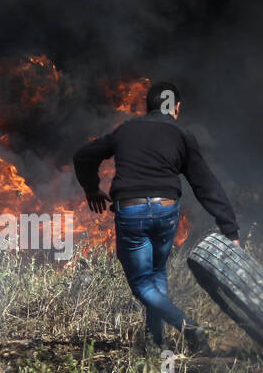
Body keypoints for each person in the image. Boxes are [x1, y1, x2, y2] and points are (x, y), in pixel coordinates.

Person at [73, 81, 240, 353]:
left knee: (141, 284)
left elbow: (82, 156)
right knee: (156, 273)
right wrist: (229, 229)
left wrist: (91, 187)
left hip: (132, 209)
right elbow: (205, 185)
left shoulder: (125, 130)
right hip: (166, 210)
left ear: (147, 106)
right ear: (176, 107)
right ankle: (154, 341)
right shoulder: (182, 134)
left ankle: (188, 327)